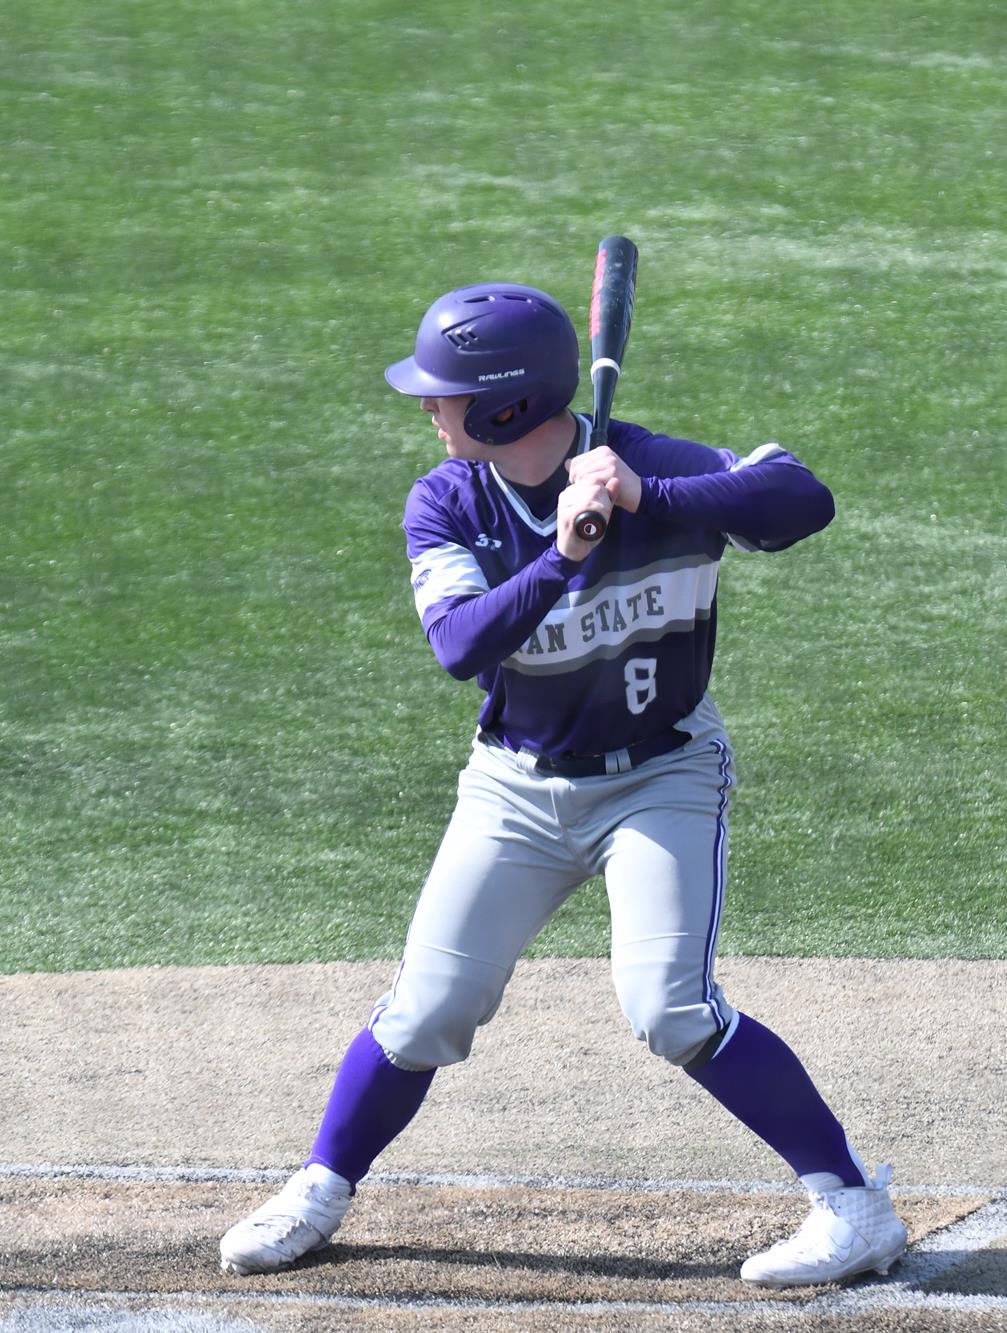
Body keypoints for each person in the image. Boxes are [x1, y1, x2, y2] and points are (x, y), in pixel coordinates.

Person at [219, 281, 906, 1287]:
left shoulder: (653, 465)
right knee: (426, 1009)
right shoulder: (446, 498)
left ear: (503, 407)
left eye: (442, 394)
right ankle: (320, 1183)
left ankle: (854, 1208)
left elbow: (802, 500)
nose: (425, 409)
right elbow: (460, 644)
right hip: (515, 789)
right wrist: (561, 554)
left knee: (670, 1009)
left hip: (661, 776)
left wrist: (644, 497)